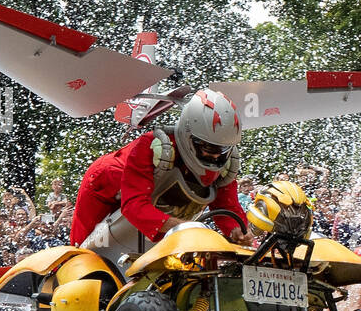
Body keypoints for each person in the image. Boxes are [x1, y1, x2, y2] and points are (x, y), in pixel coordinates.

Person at [71, 88, 253, 253]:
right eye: (209, 148)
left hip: (152, 197)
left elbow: (226, 205)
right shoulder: (151, 146)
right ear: (189, 135)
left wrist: (237, 231)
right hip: (106, 186)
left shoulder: (225, 162)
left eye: (222, 151)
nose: (215, 157)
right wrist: (184, 227)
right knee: (84, 253)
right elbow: (134, 205)